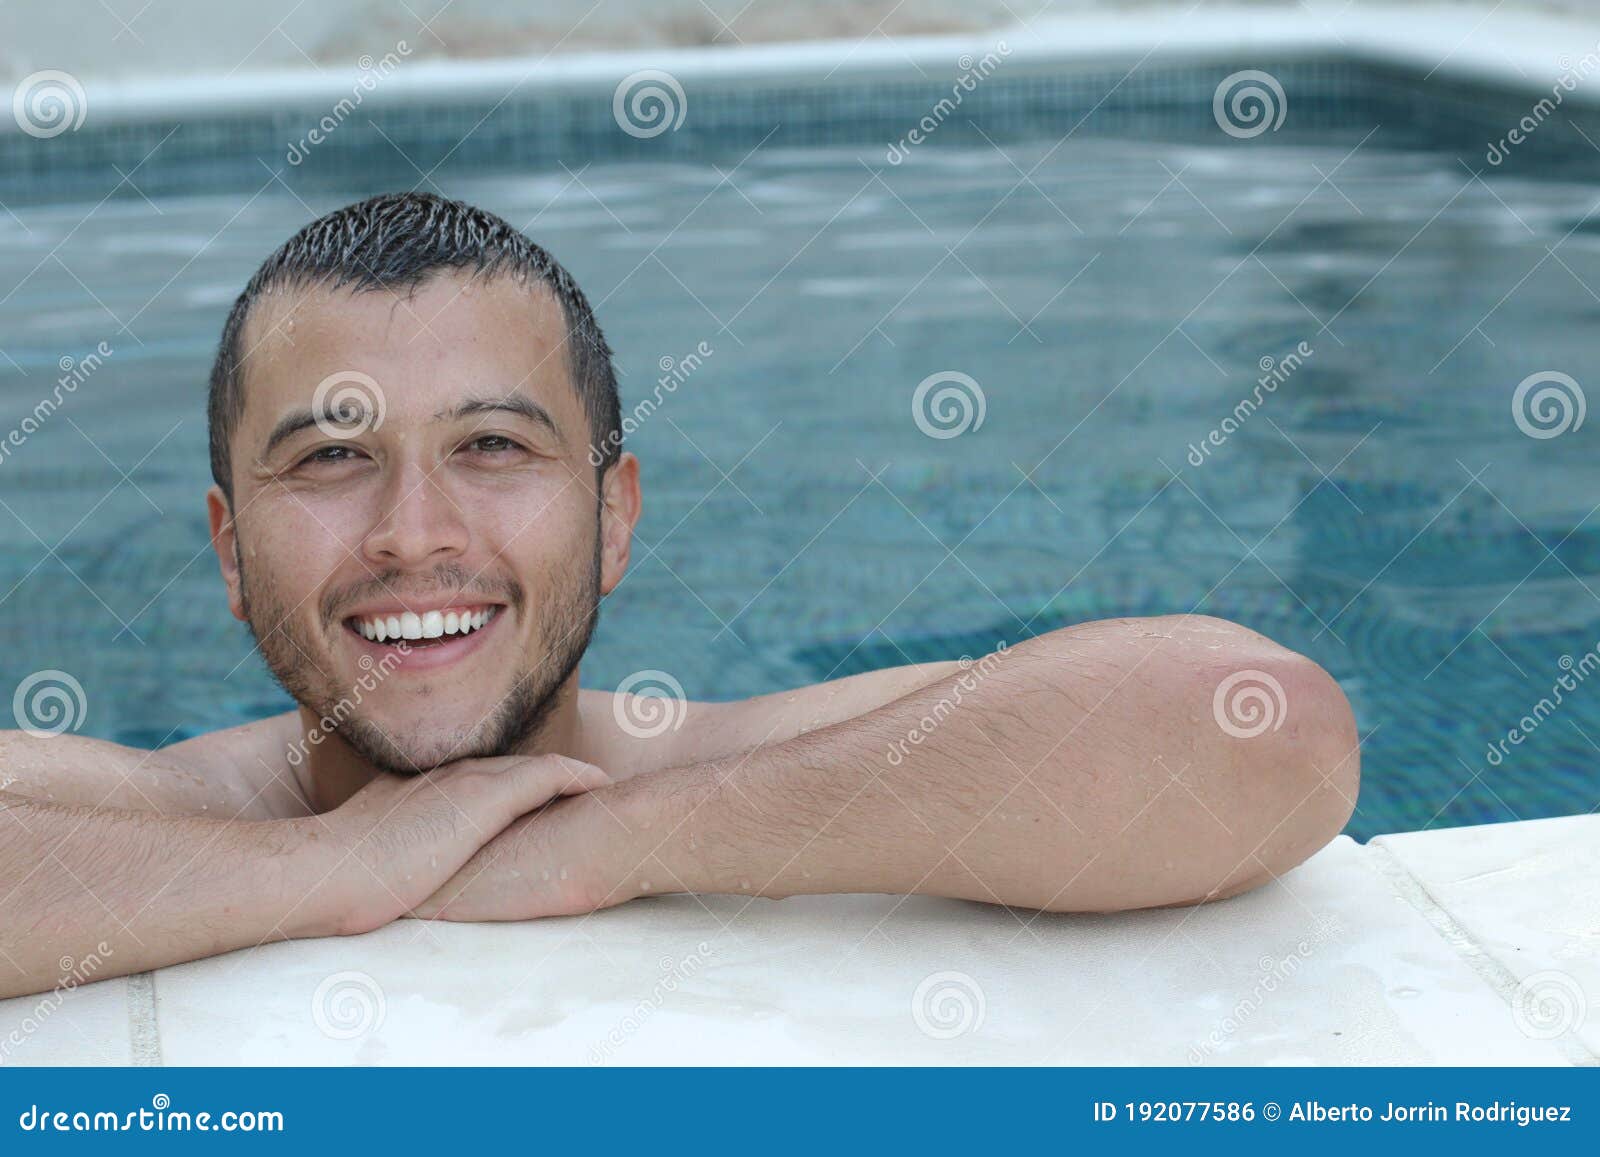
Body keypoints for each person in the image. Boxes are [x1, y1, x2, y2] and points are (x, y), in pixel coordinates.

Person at [0, 193, 1358, 1000]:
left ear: (615, 519)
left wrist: (609, 844)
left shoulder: (733, 770)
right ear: (231, 554)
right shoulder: (179, 811)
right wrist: (338, 864)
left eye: (492, 446)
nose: (415, 534)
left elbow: (1266, 730)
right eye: (334, 459)